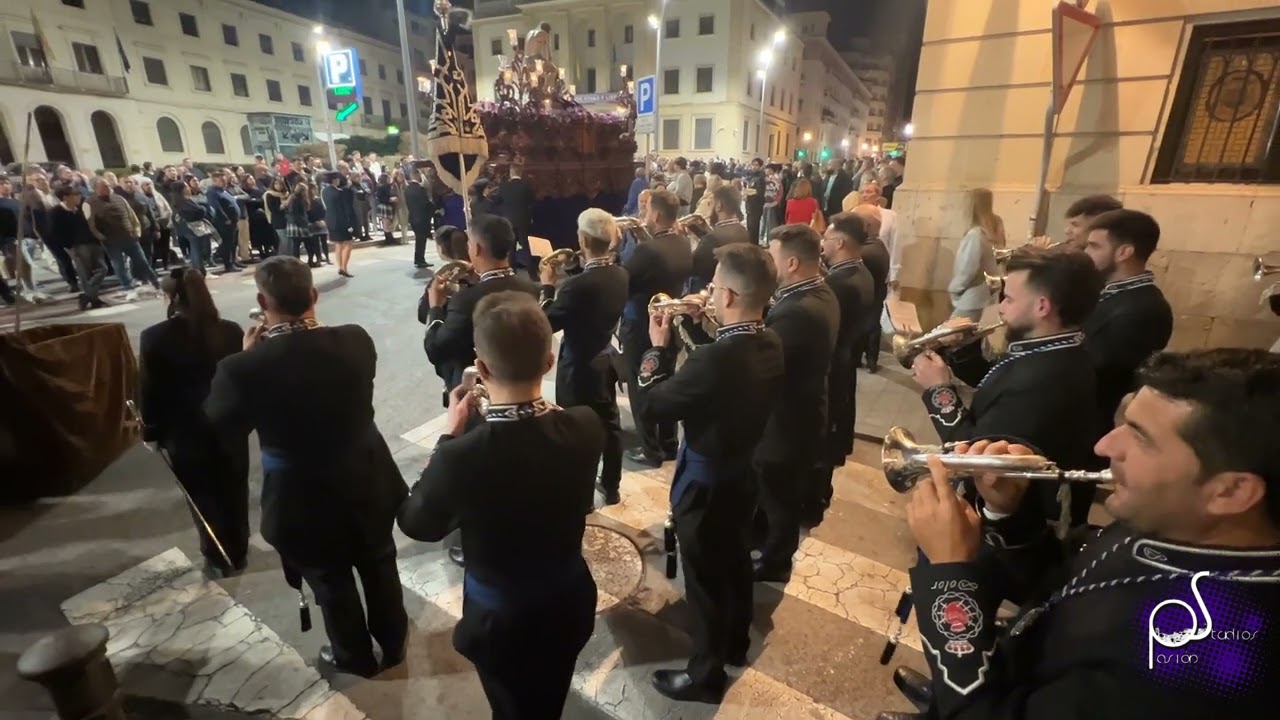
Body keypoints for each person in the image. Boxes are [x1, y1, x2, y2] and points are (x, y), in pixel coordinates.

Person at [880, 349, 1280, 720]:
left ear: (1231, 491)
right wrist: (1007, 512)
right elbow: (1067, 584)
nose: (1105, 445)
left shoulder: (1199, 667)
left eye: (1140, 437)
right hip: (1019, 667)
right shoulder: (1175, 517)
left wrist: (951, 575)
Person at [399, 291, 602, 718]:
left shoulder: (462, 456)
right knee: (550, 696)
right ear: (549, 363)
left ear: (483, 368)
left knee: (511, 707)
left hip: (502, 620)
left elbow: (417, 523)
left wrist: (448, 435)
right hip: (569, 600)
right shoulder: (585, 425)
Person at [204, 256, 408, 677]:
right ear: (314, 296)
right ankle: (393, 642)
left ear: (262, 301)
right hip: (366, 472)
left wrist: (246, 358)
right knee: (379, 559)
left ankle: (354, 655)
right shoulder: (355, 339)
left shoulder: (242, 368)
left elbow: (222, 428)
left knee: (329, 578)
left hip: (300, 489)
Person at [638, 244, 786, 703]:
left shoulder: (717, 360)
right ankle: (735, 643)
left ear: (726, 295)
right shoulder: (769, 339)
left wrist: (656, 350)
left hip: (705, 481)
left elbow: (653, 405)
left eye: (713, 287)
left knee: (702, 578)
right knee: (735, 561)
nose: (707, 293)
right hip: (742, 474)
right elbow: (721, 372)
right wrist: (698, 326)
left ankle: (705, 674)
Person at [911, 247, 1104, 531]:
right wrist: (965, 348)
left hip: (1006, 521)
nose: (1000, 308)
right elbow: (995, 380)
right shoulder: (1051, 346)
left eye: (1009, 299)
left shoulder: (1045, 380)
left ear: (1042, 307)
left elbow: (976, 456)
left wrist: (939, 391)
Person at [423, 214, 538, 565]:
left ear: (476, 248)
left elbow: (437, 347)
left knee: (475, 463)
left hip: (476, 388)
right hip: (518, 385)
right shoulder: (528, 284)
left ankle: (472, 532)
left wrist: (435, 308)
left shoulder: (467, 298)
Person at [139, 268, 249, 577]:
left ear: (173, 298)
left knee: (201, 495)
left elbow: (150, 390)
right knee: (234, 490)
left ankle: (217, 554)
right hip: (229, 426)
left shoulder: (155, 337)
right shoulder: (230, 330)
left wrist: (151, 431)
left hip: (184, 431)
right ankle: (239, 550)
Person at [754, 224, 840, 581]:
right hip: (805, 409)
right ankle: (765, 540)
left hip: (787, 422)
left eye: (771, 257)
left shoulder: (796, 311)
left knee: (780, 496)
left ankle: (776, 562)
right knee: (777, 490)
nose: (768, 265)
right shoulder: (820, 291)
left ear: (790, 263)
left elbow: (763, 363)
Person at [539, 209, 629, 505]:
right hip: (606, 358)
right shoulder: (620, 273)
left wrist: (548, 285)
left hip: (578, 367)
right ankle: (612, 486)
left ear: (584, 239)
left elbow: (546, 321)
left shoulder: (577, 287)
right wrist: (575, 270)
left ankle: (583, 497)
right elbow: (591, 289)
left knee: (577, 433)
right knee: (610, 425)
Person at [1080, 209, 1173, 434]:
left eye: (1094, 246)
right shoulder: (1104, 292)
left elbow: (1097, 373)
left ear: (1124, 252)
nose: (1085, 253)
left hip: (1093, 425)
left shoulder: (1145, 309)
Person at [810, 213, 876, 526]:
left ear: (839, 242)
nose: (822, 242)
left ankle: (814, 499)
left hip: (833, 367)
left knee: (821, 436)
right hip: (845, 361)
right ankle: (819, 493)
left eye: (825, 238)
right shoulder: (859, 272)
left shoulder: (840, 283)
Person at [621, 189, 693, 468]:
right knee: (665, 380)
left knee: (641, 386)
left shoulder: (648, 249)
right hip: (670, 323)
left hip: (642, 324)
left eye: (647, 210)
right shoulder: (683, 242)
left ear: (658, 214)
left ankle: (650, 449)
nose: (644, 215)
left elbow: (623, 283)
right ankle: (669, 443)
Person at [949, 188, 1003, 322]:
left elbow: (966, 270)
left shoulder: (975, 235)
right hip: (987, 297)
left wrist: (954, 289)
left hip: (971, 299)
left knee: (949, 338)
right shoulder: (992, 231)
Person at [688, 185, 750, 294]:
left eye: (711, 204)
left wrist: (683, 238)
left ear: (718, 206)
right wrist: (705, 231)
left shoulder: (712, 239)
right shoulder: (742, 231)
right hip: (731, 286)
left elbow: (693, 267)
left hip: (710, 290)